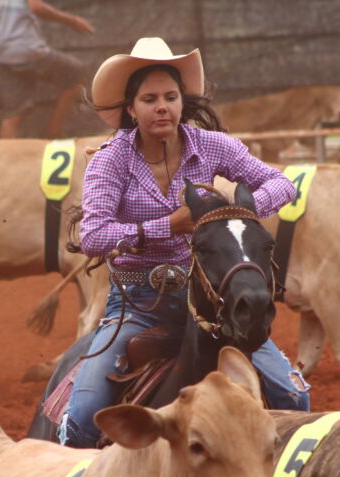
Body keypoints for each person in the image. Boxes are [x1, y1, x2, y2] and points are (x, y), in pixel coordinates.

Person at [57, 37, 310, 448]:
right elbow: (93, 236)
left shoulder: (213, 146)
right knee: (84, 419)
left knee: (293, 396)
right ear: (130, 108)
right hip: (137, 305)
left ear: (182, 102)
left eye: (171, 97)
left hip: (211, 300)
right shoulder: (110, 160)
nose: (162, 106)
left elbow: (283, 184)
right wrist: (167, 226)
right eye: (150, 98)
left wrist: (229, 216)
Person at [0, 0, 94, 139]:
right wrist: (73, 21)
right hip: (27, 47)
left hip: (4, 50)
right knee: (76, 74)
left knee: (12, 114)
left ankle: (6, 161)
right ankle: (54, 132)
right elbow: (36, 5)